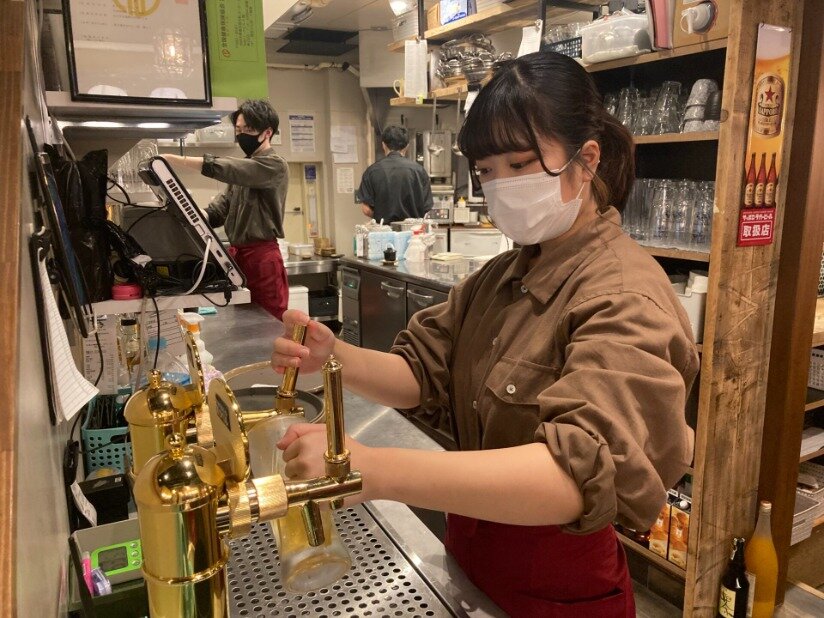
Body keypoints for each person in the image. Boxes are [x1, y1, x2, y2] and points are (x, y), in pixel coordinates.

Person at [271, 52, 699, 616]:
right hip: (472, 556)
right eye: (487, 171)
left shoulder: (624, 293)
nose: (502, 187)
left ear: (586, 160)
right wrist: (334, 357)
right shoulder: (503, 274)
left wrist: (373, 470)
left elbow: (572, 477)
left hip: (558, 584)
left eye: (520, 164)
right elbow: (422, 373)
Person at [164, 99, 289, 320]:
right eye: (238, 130)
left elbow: (230, 168)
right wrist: (192, 213)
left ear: (267, 132)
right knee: (245, 321)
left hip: (262, 259)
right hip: (238, 258)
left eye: (248, 130)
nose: (242, 135)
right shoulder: (243, 171)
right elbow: (218, 211)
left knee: (269, 322)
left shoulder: (274, 165)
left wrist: (176, 160)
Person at [356, 125, 433, 223]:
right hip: (413, 230)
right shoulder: (419, 171)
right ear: (407, 146)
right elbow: (427, 207)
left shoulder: (372, 171)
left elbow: (366, 209)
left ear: (383, 145)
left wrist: (380, 218)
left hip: (383, 230)